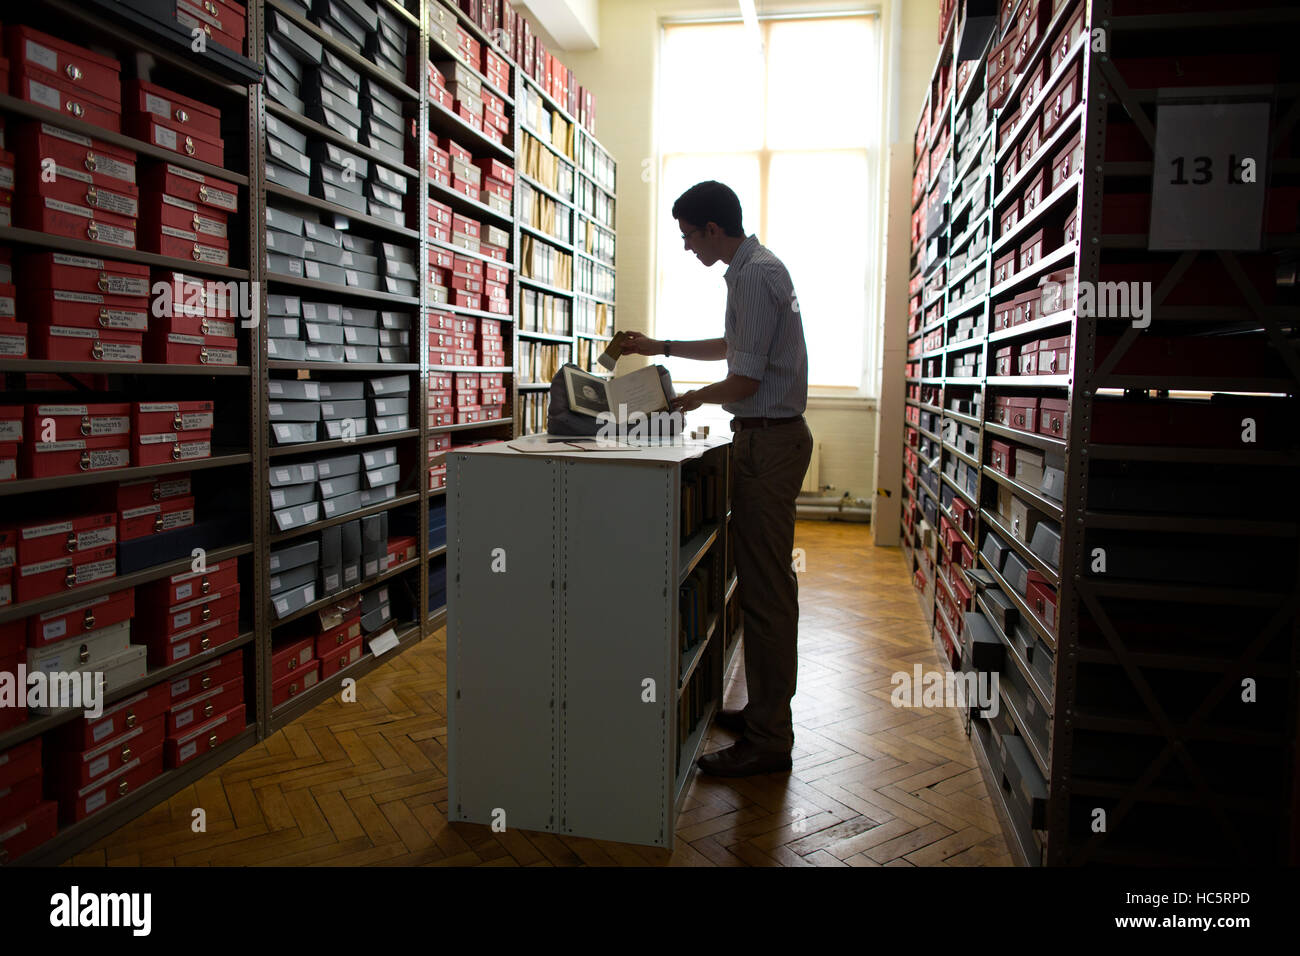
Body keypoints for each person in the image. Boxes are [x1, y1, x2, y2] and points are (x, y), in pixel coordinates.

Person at [621, 181, 812, 777]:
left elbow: (745, 379)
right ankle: (763, 716)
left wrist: (690, 399)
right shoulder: (755, 267)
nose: (686, 247)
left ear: (712, 228)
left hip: (769, 441)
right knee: (763, 586)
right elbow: (737, 347)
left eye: (688, 236)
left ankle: (770, 740)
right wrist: (661, 347)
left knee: (767, 593)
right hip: (769, 438)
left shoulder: (752, 275)